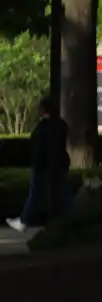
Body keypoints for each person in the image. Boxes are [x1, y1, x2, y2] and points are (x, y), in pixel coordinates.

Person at [7, 98, 69, 232]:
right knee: (62, 193)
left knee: (36, 193)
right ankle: (69, 220)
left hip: (43, 165)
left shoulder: (42, 127)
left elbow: (38, 147)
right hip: (60, 164)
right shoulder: (62, 124)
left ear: (43, 110)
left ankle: (24, 221)